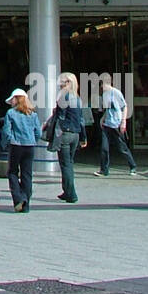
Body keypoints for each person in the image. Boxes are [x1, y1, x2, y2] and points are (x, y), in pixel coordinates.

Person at [0, 88, 42, 212]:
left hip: (16, 145)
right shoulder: (33, 114)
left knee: (12, 172)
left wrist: (5, 143)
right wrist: (33, 140)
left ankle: (18, 198)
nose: (11, 102)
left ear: (16, 99)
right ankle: (26, 203)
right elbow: (38, 132)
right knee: (27, 174)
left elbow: (7, 131)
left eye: (12, 99)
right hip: (30, 146)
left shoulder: (11, 113)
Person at [53, 72, 87, 203]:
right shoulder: (77, 98)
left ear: (67, 83)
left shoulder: (63, 97)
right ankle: (67, 191)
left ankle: (71, 193)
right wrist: (83, 136)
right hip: (76, 134)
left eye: (62, 82)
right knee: (69, 163)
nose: (59, 84)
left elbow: (60, 118)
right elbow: (81, 119)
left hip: (65, 133)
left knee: (65, 164)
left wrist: (54, 133)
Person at [94, 80, 138, 176]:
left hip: (116, 124)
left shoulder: (116, 93)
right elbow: (108, 109)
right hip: (107, 124)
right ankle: (104, 169)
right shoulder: (105, 95)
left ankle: (132, 166)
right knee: (104, 148)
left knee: (122, 147)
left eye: (102, 85)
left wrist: (123, 121)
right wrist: (103, 118)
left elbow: (124, 107)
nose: (101, 88)